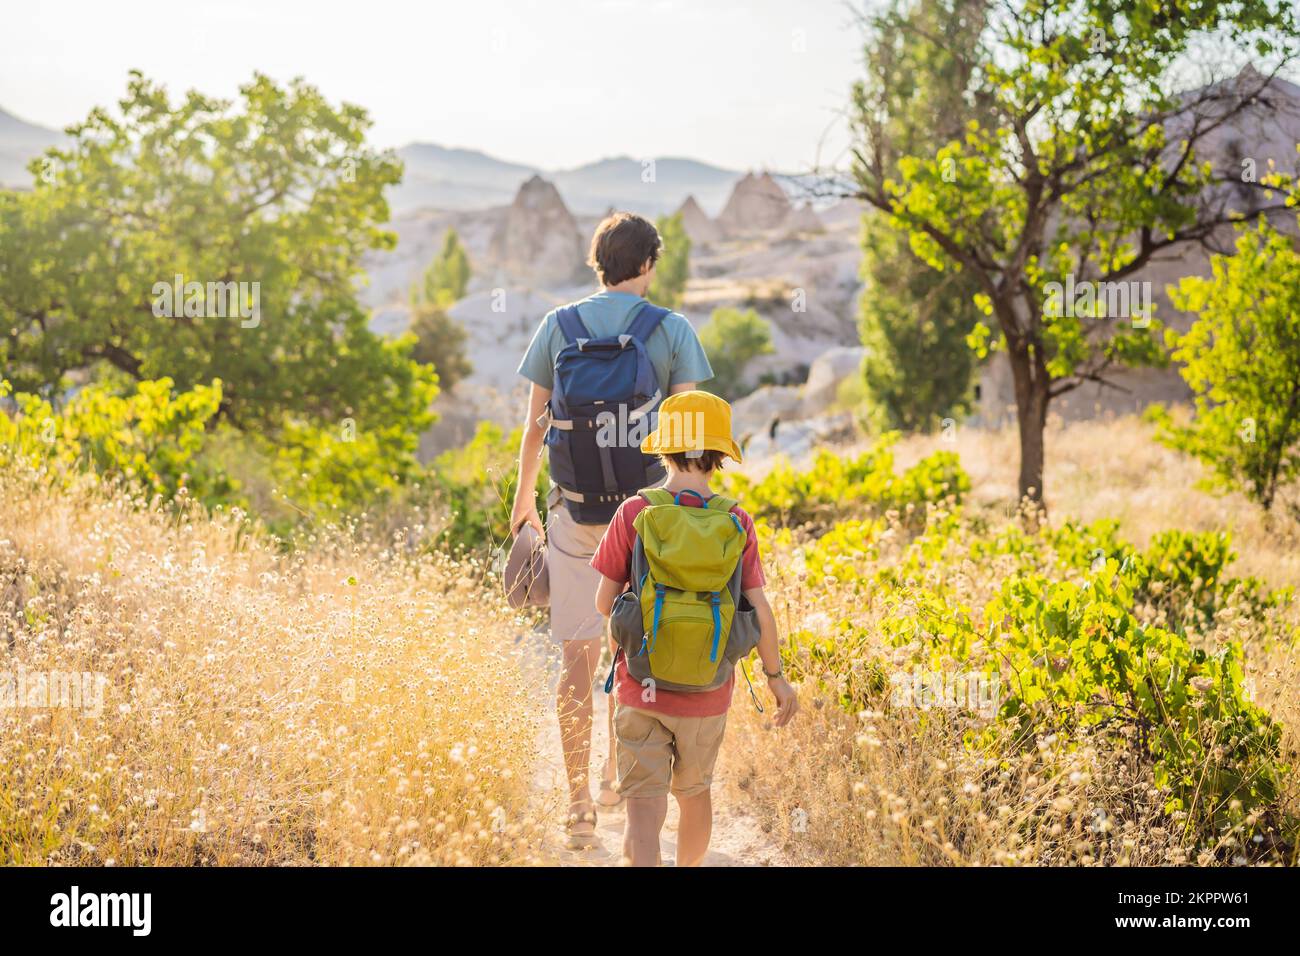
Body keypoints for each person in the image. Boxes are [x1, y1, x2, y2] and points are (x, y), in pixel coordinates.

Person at [511, 212, 713, 849]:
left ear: (597, 263)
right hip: (648, 517)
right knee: (637, 653)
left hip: (574, 513)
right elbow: (688, 440)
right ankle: (616, 780)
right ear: (649, 264)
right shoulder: (672, 329)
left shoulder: (557, 325)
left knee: (577, 657)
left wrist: (522, 504)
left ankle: (577, 807)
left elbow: (535, 427)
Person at [591, 390, 798, 866]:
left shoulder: (635, 512)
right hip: (707, 691)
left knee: (643, 808)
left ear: (664, 447)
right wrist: (775, 677)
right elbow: (759, 607)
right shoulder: (735, 519)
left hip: (640, 687)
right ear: (722, 454)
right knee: (695, 794)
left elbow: (604, 603)